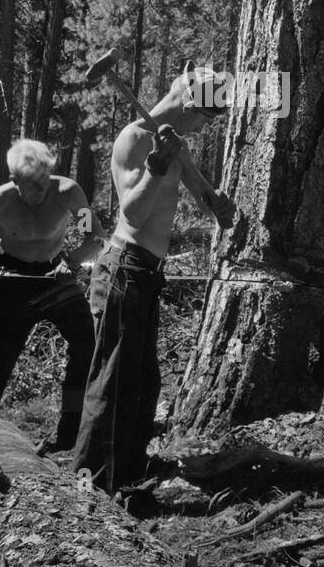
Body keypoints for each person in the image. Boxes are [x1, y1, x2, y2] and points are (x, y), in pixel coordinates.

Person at [71, 64, 236, 510]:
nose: (207, 125)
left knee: (143, 381)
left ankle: (127, 474)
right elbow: (132, 215)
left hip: (146, 274)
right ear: (189, 101)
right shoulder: (137, 139)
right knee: (112, 381)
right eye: (208, 115)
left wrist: (217, 205)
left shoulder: (170, 142)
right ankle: (88, 485)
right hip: (122, 268)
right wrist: (156, 167)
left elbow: (202, 191)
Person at [0, 139, 106, 452]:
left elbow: (95, 235)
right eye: (32, 185)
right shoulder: (2, 199)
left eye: (43, 181)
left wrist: (75, 261)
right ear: (15, 181)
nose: (41, 191)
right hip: (10, 279)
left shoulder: (67, 192)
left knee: (87, 343)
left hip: (55, 276)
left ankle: (70, 434)